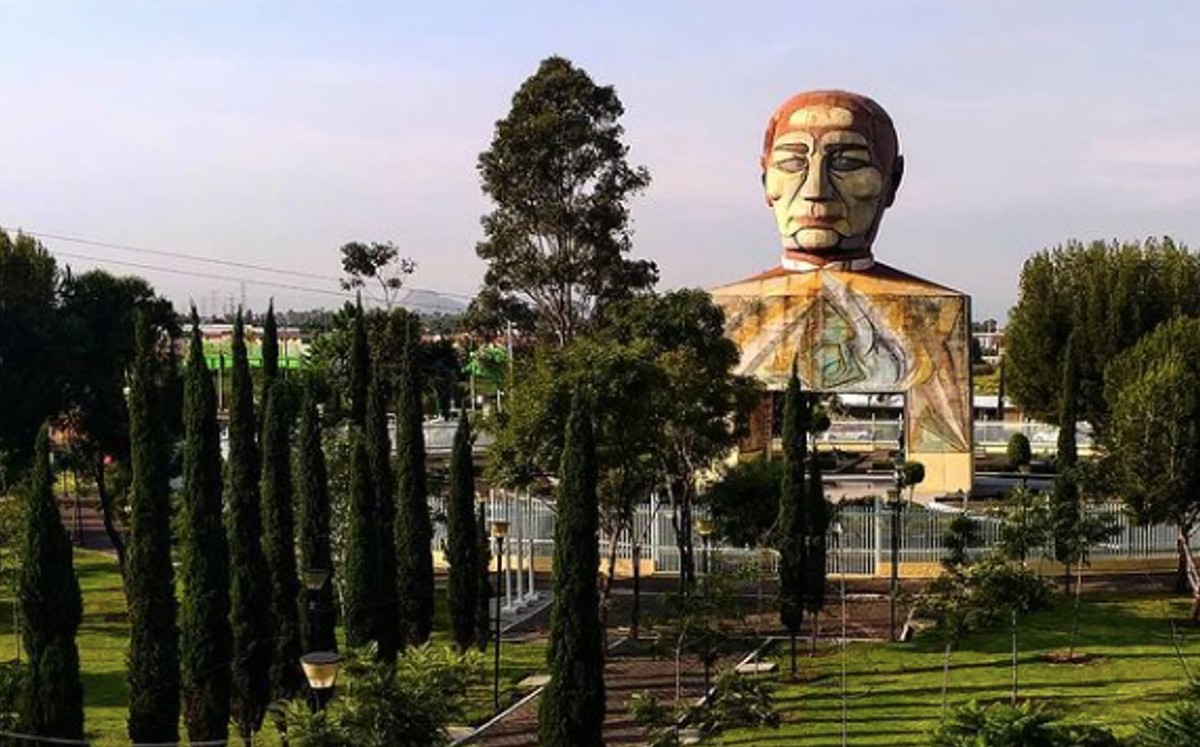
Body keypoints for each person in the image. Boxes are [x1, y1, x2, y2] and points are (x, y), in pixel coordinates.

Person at [761, 90, 904, 270]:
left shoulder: (923, 298)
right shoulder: (732, 298)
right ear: (765, 181)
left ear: (892, 182)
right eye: (793, 163)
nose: (816, 191)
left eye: (845, 163)